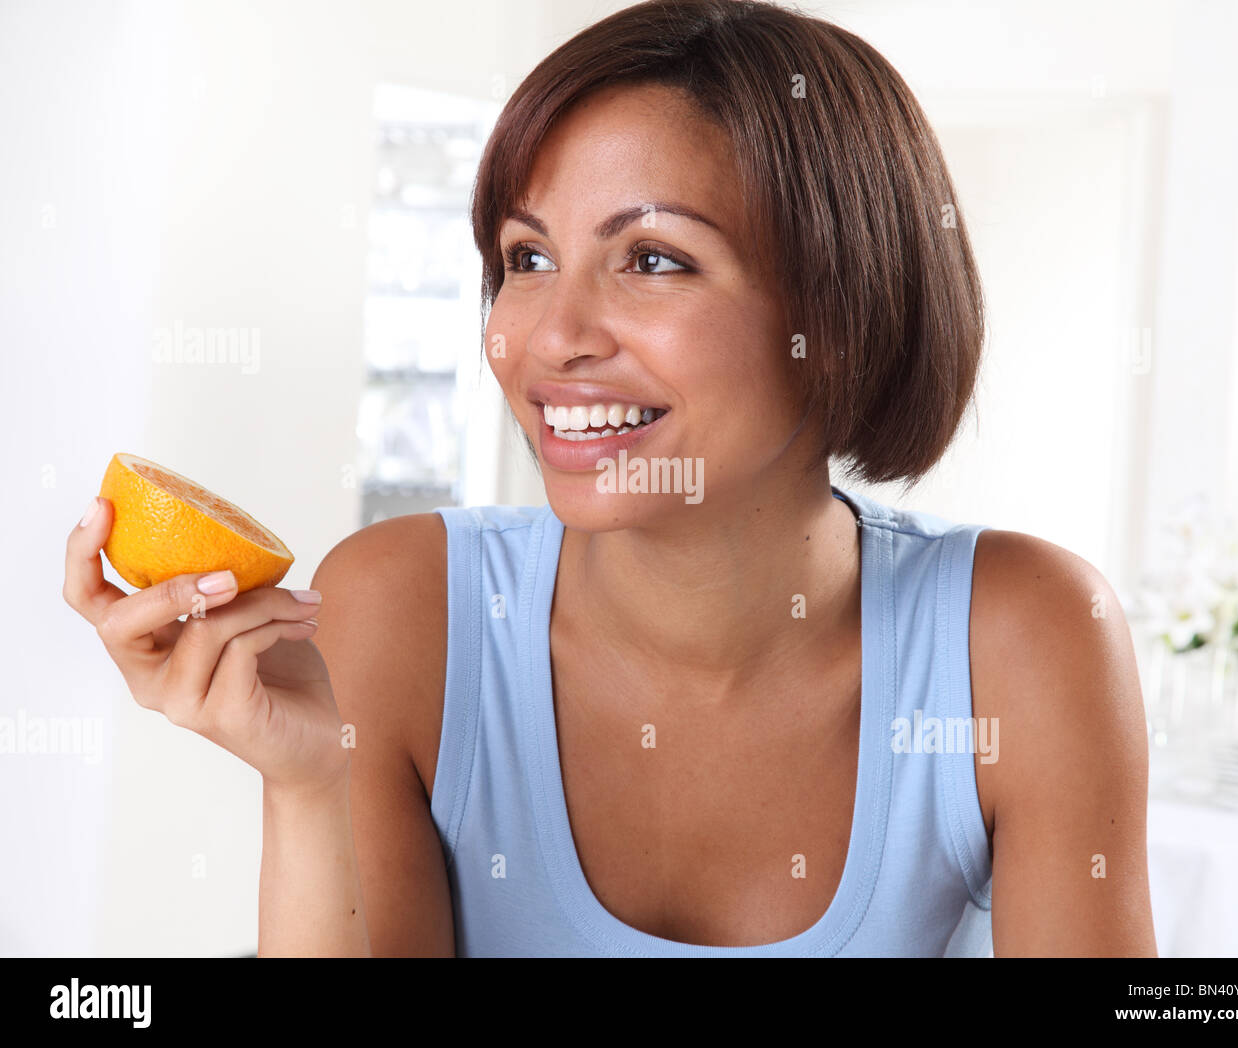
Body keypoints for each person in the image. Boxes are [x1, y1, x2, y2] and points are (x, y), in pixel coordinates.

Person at [63, 0, 1157, 956]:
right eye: (526, 259)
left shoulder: (1021, 638)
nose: (551, 336)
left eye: (653, 260)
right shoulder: (405, 611)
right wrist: (308, 788)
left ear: (836, 312)